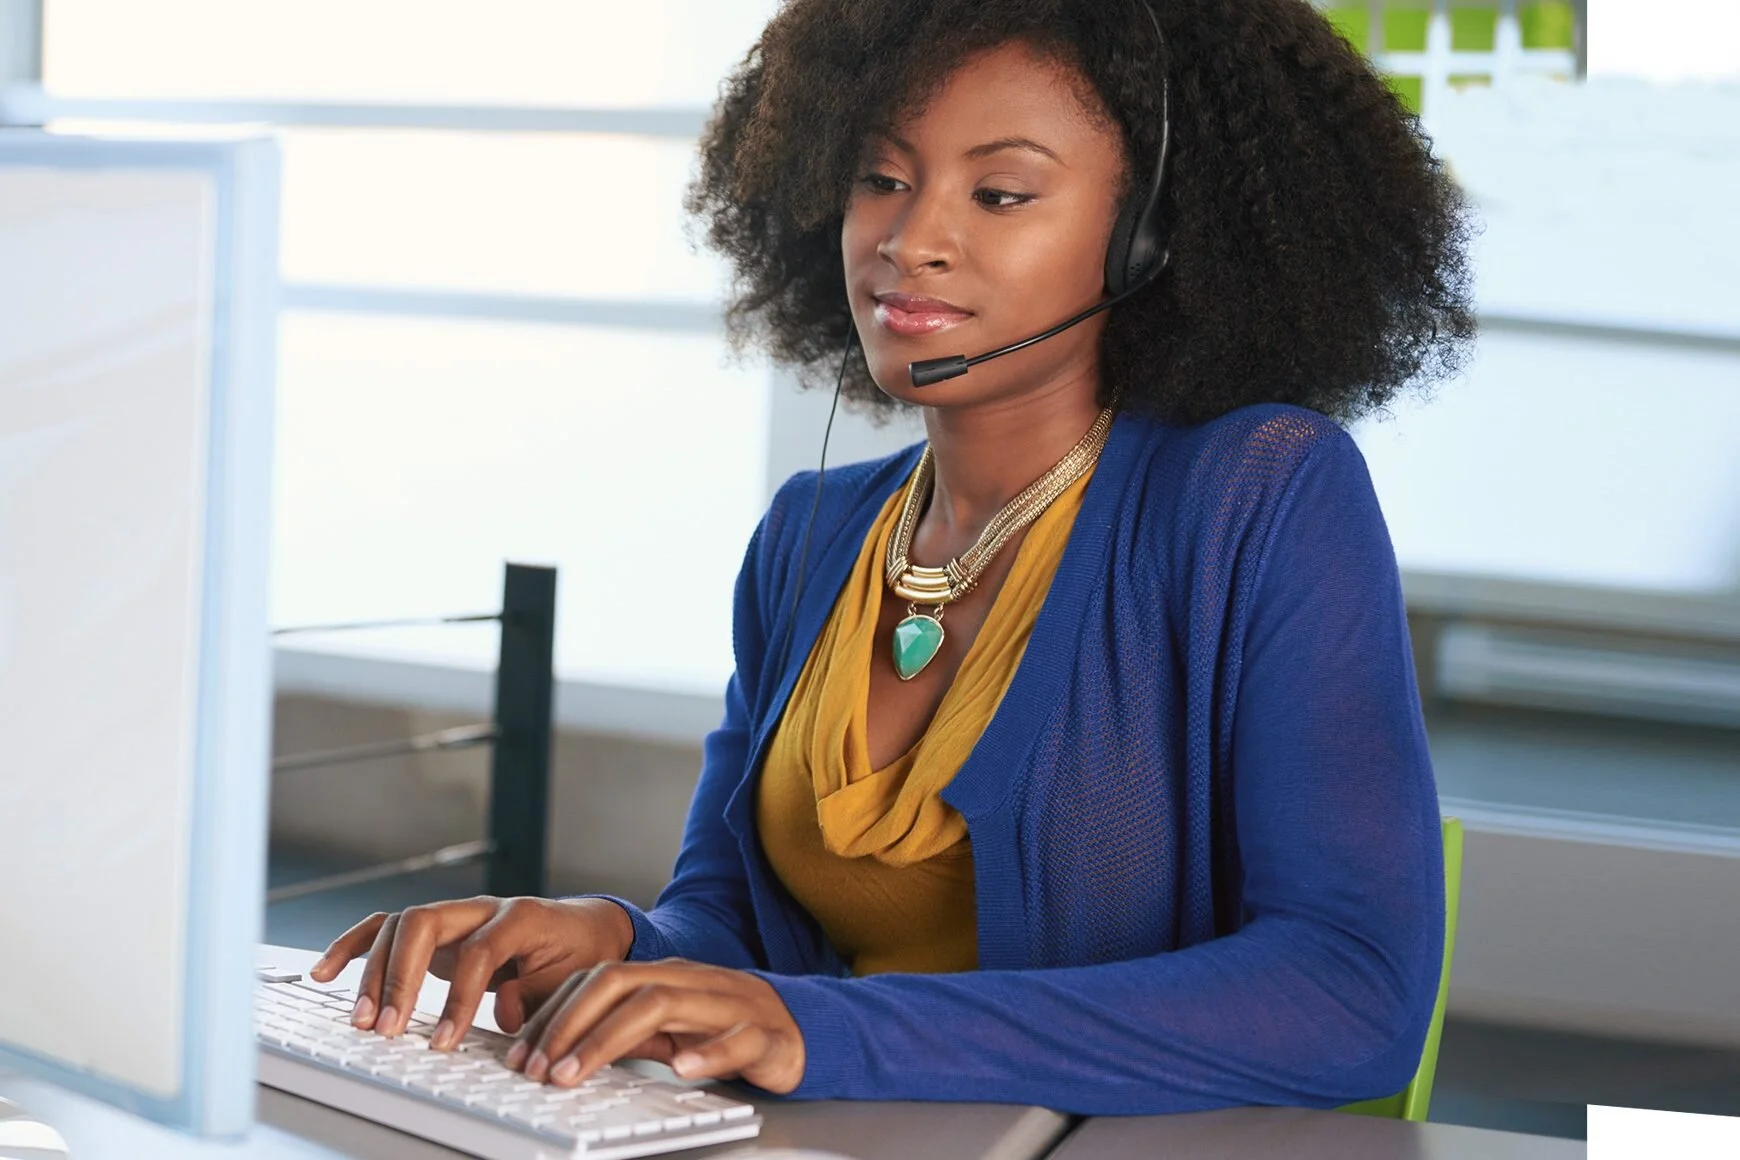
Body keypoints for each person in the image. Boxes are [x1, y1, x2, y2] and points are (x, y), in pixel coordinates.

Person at [312, 0, 1476, 1115]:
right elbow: (737, 927)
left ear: (1151, 238)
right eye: (882, 177)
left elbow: (1350, 990)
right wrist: (618, 937)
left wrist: (824, 1031)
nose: (909, 240)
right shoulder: (809, 537)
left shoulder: (1258, 494)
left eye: (1002, 191)